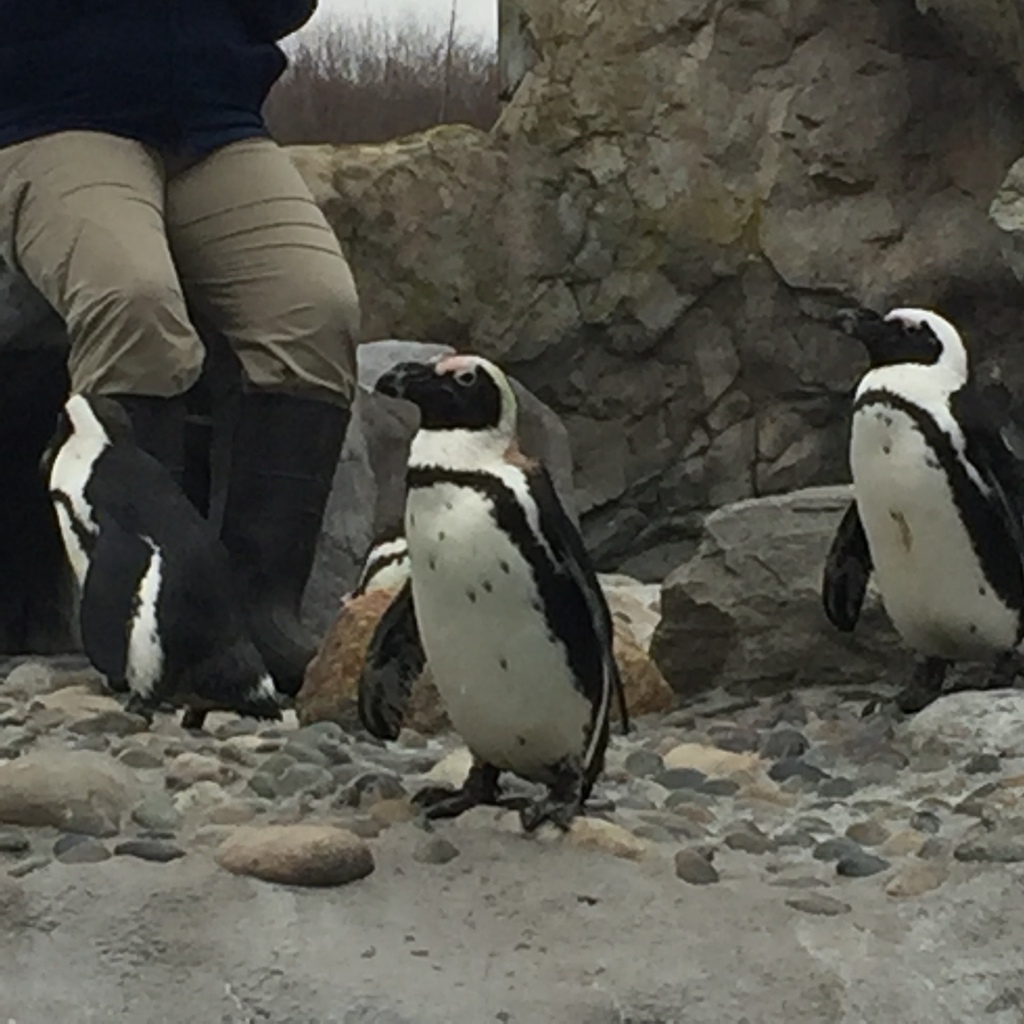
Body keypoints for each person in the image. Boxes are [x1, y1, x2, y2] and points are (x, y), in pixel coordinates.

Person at [0, 1, 360, 696]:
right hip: (48, 117)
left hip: (214, 124)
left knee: (316, 307)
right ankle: (145, 623)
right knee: (134, 300)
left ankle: (259, 613)